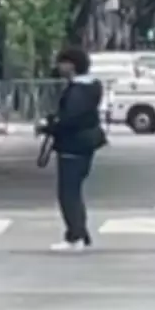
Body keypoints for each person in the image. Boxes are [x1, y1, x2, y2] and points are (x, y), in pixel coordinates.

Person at [39, 47, 106, 251]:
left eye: (61, 63)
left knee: (68, 192)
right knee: (73, 190)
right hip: (83, 143)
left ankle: (75, 235)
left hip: (73, 144)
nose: (59, 67)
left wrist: (49, 126)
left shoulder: (78, 91)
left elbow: (71, 118)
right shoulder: (89, 88)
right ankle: (80, 233)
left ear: (71, 65)